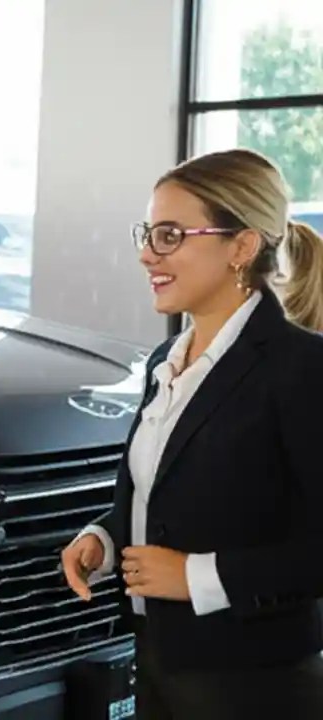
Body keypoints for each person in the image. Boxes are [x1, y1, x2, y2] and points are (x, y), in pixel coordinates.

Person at [60, 148, 323, 719]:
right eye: (148, 233)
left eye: (171, 235)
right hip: (160, 663)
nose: (146, 253)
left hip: (256, 684)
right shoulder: (166, 360)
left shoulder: (301, 369)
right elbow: (172, 491)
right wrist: (106, 541)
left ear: (243, 246)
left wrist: (199, 576)